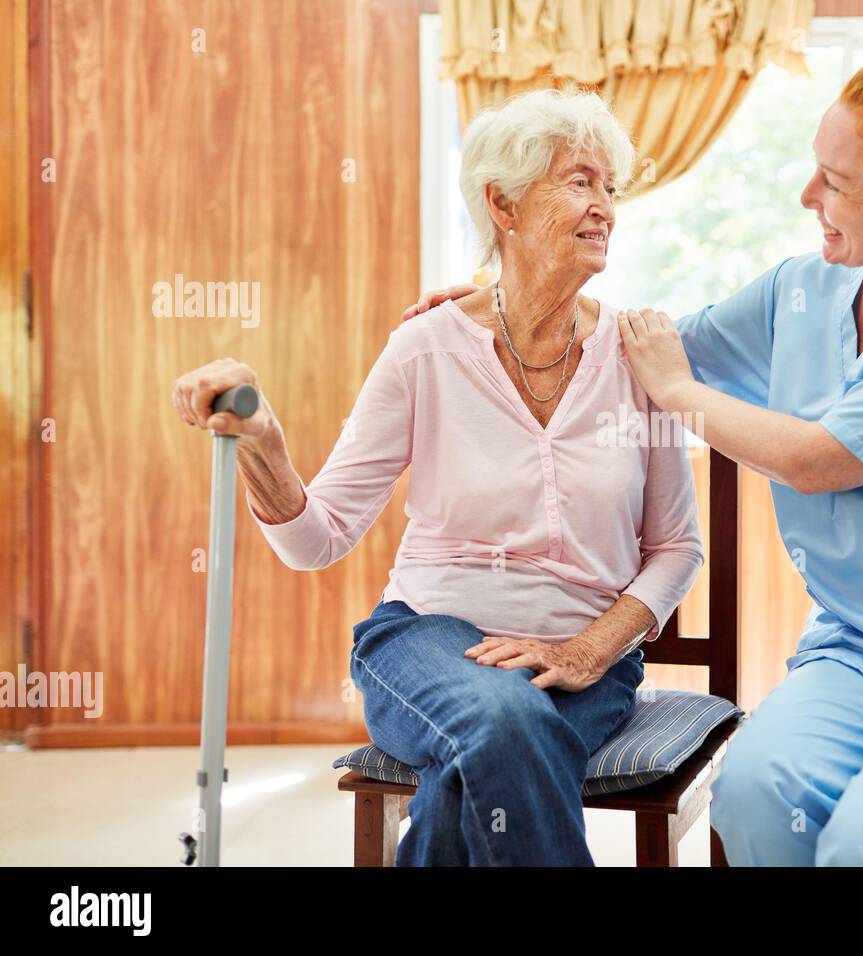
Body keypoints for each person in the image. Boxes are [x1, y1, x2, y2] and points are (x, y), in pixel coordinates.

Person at [406, 48, 863, 866]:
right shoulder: (804, 289)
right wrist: (508, 305)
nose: (808, 197)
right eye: (814, 169)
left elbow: (819, 459)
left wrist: (686, 397)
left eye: (837, 182)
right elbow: (635, 349)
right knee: (758, 798)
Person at [171, 88, 704, 866]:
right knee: (505, 722)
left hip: (588, 662)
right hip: (423, 639)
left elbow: (677, 548)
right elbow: (315, 542)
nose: (604, 208)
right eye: (579, 181)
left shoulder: (639, 355)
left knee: (483, 758)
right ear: (504, 205)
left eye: (610, 187)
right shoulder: (426, 351)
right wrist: (263, 439)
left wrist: (591, 650)